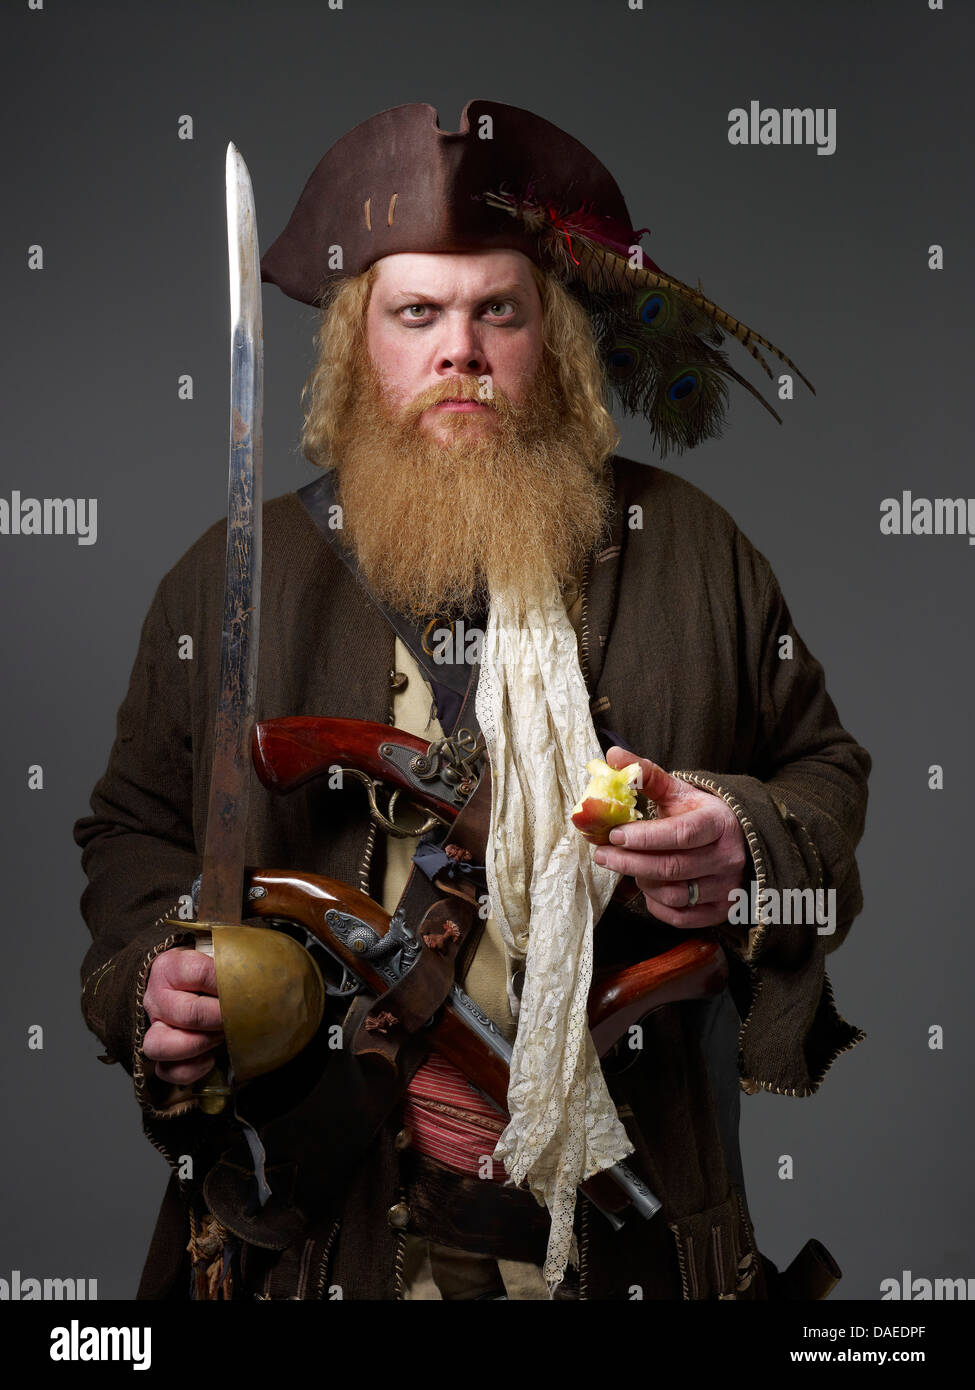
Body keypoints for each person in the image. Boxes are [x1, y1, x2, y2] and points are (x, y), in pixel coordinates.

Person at [75, 99, 870, 1301]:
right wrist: (151, 979)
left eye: (498, 309)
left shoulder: (694, 553)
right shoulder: (227, 580)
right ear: (361, 345)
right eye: (418, 314)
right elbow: (131, 833)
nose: (462, 350)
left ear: (547, 334)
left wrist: (737, 837)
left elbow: (827, 782)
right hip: (322, 1244)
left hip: (632, 1247)